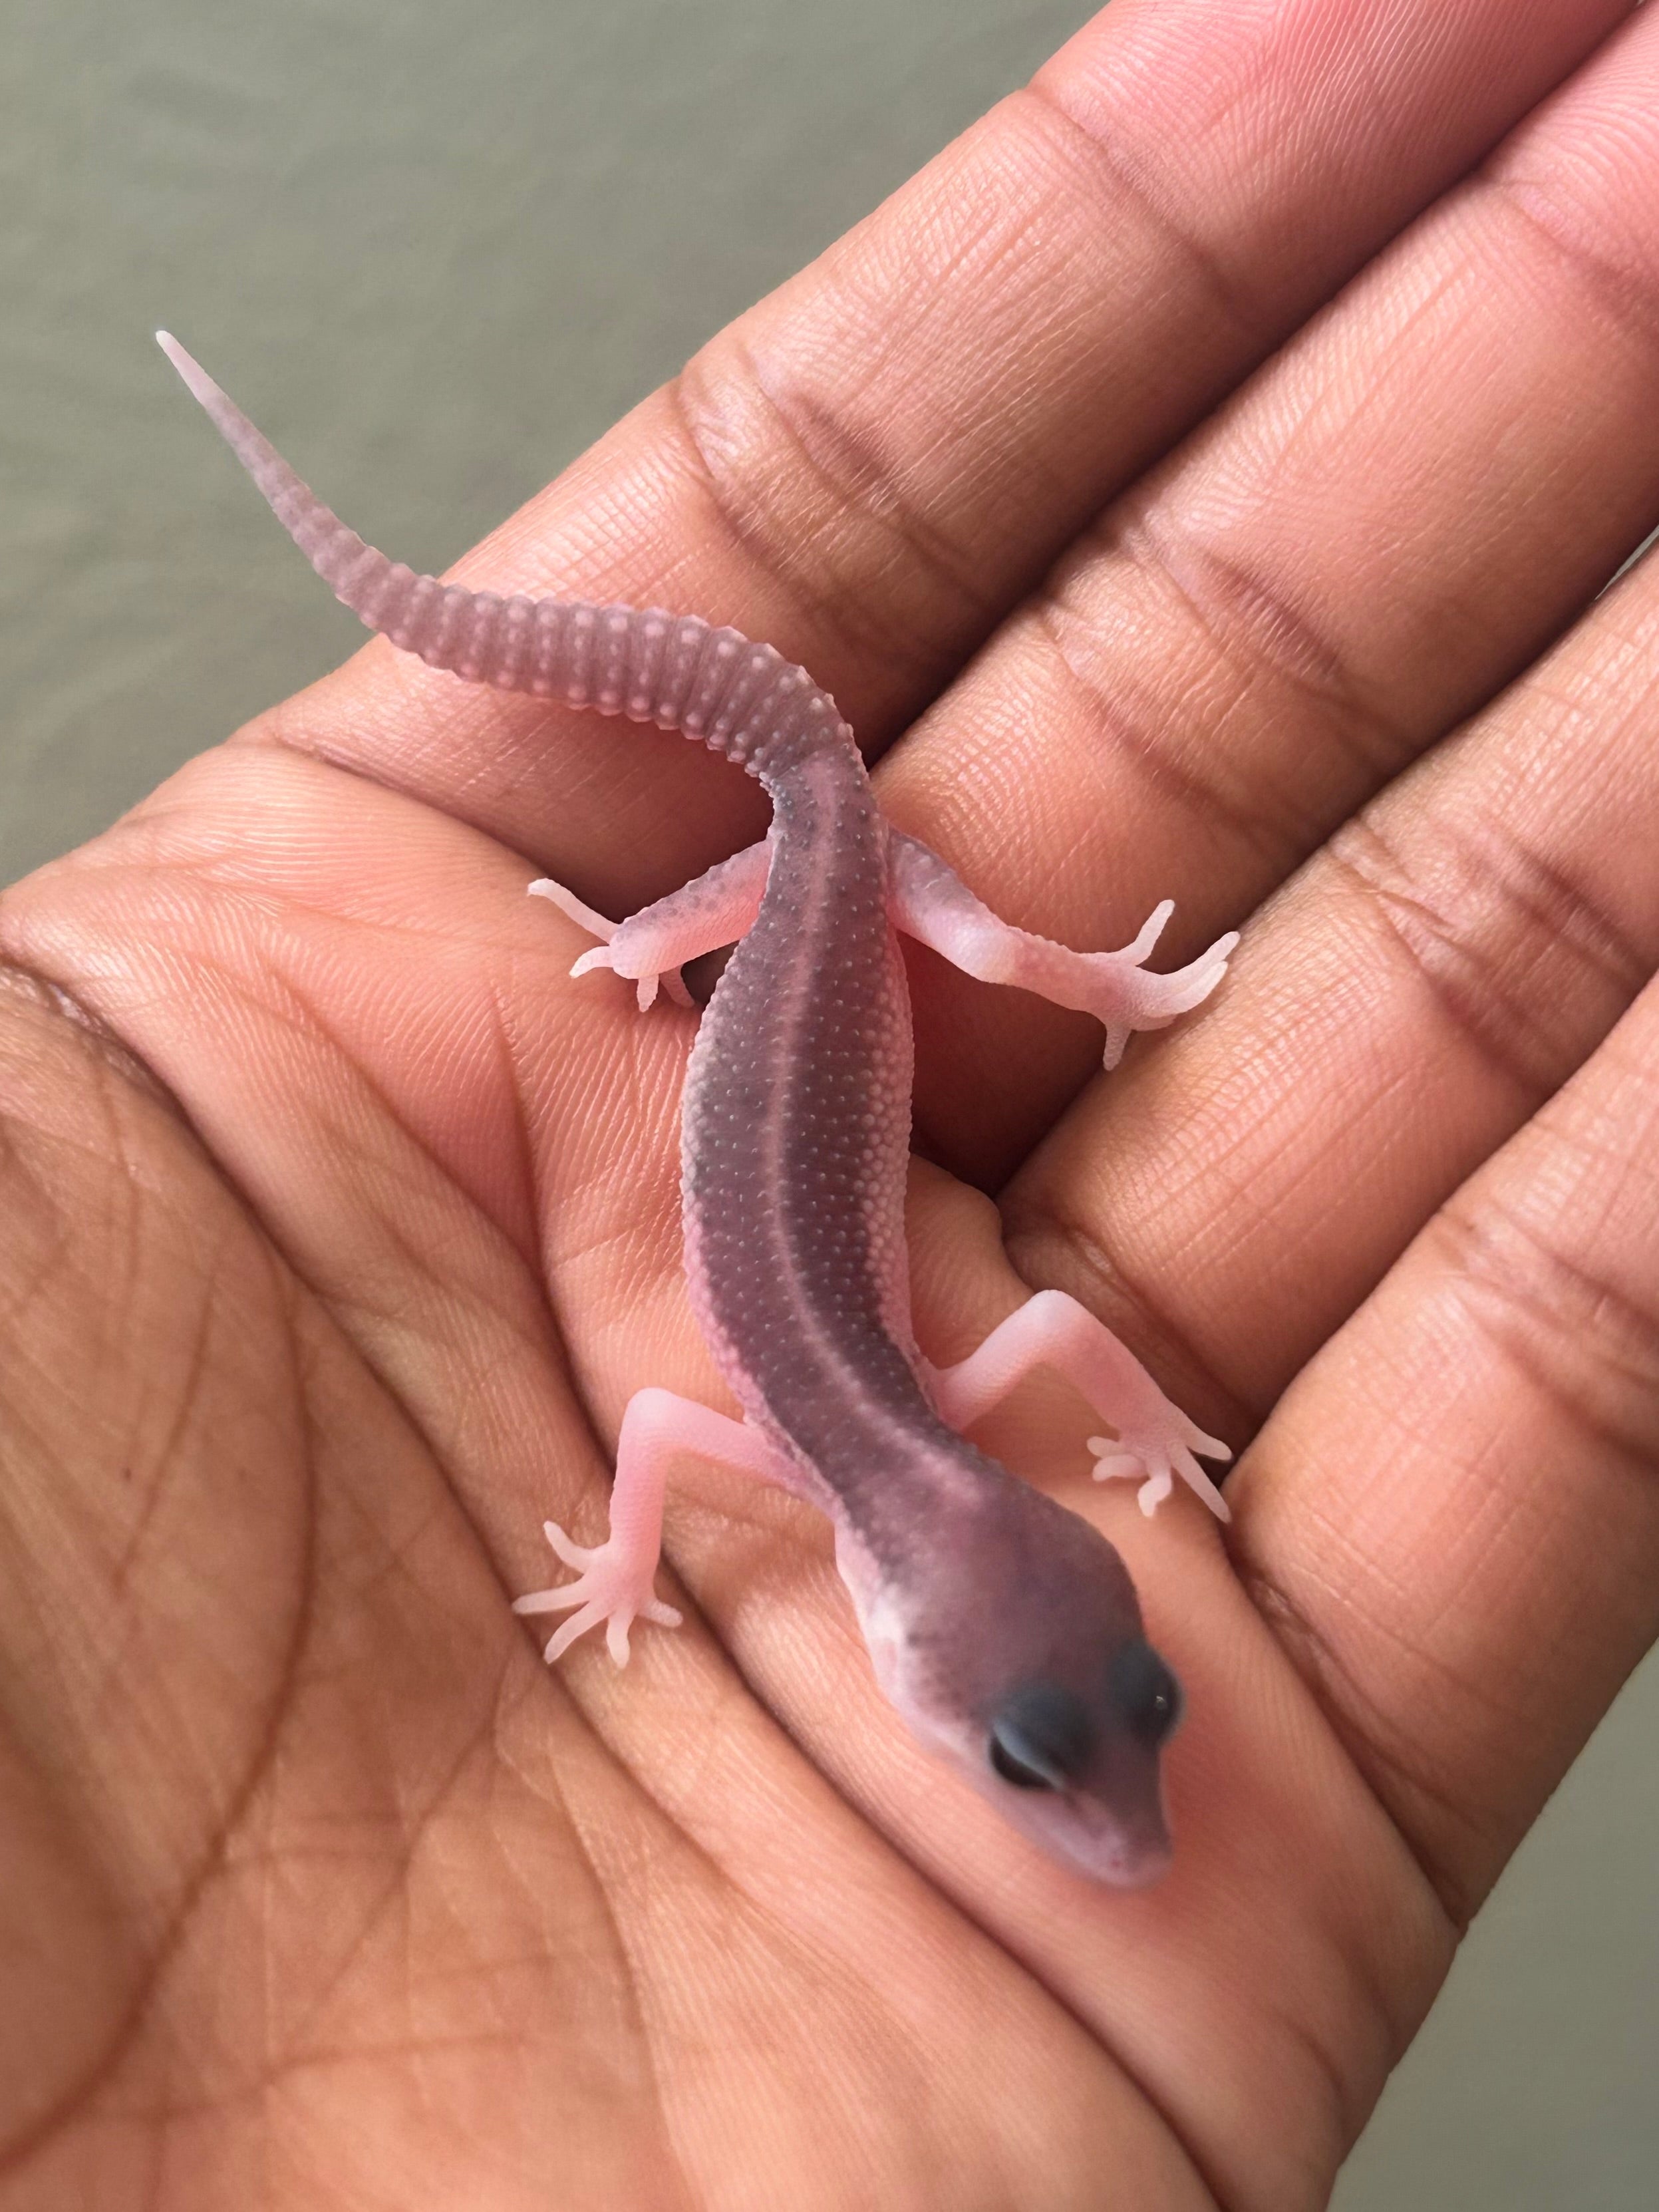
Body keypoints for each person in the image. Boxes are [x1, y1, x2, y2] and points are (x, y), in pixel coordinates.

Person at [2, 1, 1656, 2201]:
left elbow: (809, 1412)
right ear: (906, 1607)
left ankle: (861, 942)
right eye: (1073, 1749)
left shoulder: (842, 1428)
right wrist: (651, 1505)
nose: (1111, 1806)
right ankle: (888, 946)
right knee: (932, 927)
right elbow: (747, 1419)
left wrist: (651, 1548)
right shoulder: (854, 1433)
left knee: (910, 909)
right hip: (801, 875)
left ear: (954, 1590)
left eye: (1068, 1744)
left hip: (802, 880)